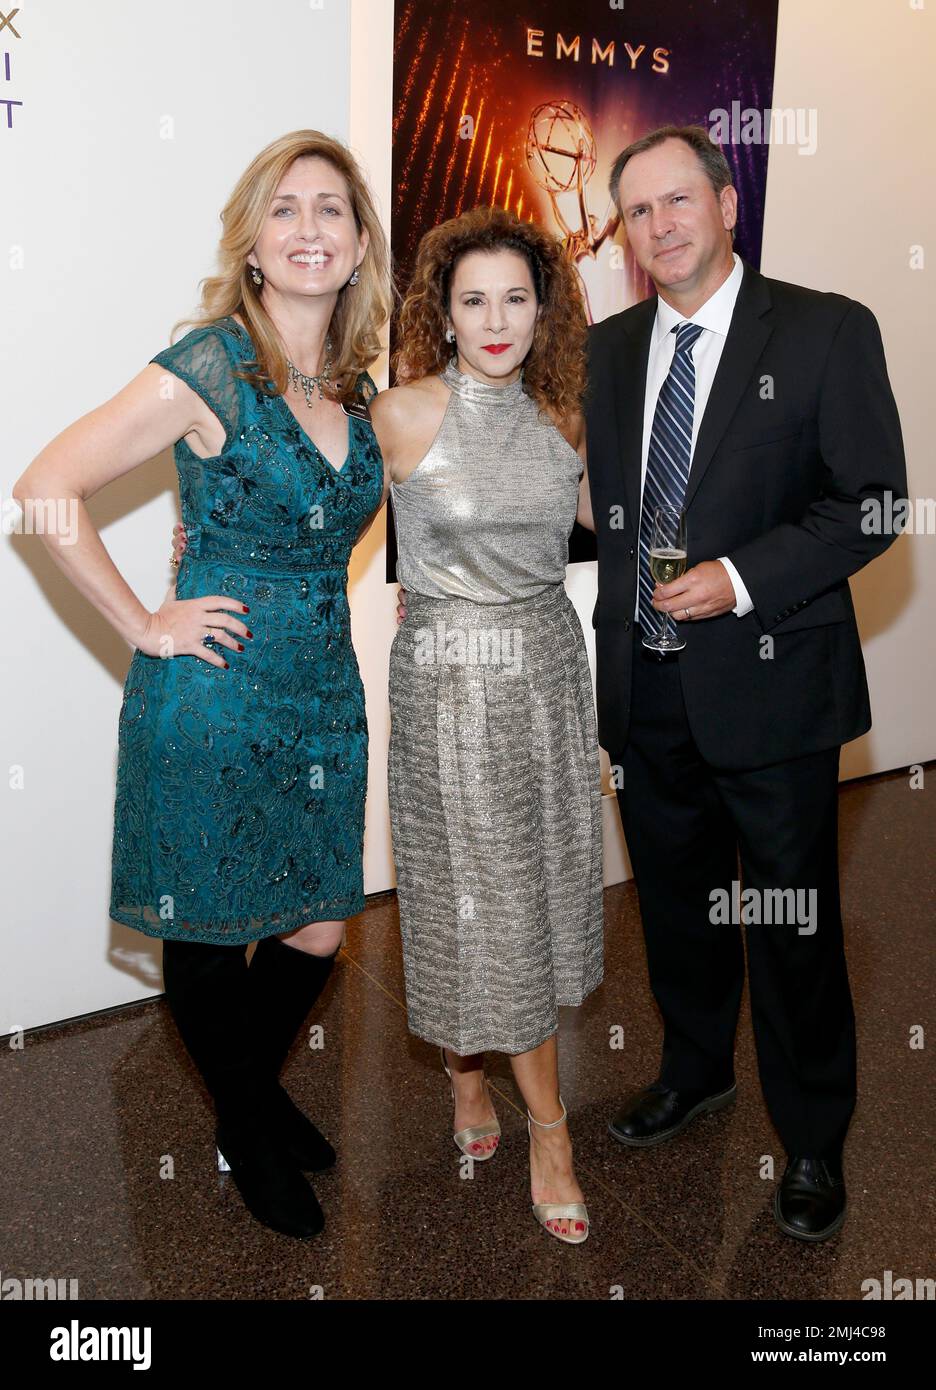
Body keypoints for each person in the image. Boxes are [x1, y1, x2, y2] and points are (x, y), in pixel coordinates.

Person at [13, 130, 393, 1240]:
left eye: (332, 209)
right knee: (206, 920)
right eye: (286, 211)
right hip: (216, 695)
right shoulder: (211, 366)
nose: (311, 228)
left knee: (322, 921)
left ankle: (250, 1096)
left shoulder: (357, 388)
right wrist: (144, 623)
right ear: (255, 247)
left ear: (361, 244)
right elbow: (45, 487)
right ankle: (248, 1121)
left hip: (325, 691)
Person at [585, 125, 907, 1240]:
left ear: (727, 203)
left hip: (772, 689)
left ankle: (815, 1137)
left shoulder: (823, 330)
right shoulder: (609, 350)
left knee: (789, 921)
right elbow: (609, 510)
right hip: (646, 687)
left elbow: (874, 505)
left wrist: (735, 577)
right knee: (675, 905)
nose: (661, 226)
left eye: (680, 200)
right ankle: (693, 1067)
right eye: (638, 212)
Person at [372, 207, 603, 1244]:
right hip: (452, 686)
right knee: (484, 897)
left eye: (517, 297)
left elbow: (641, 522)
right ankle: (549, 1130)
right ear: (444, 312)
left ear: (544, 309)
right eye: (474, 300)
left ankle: (469, 1080)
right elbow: (312, 514)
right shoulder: (402, 413)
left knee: (537, 889)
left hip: (549, 670)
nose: (497, 319)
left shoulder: (566, 417)